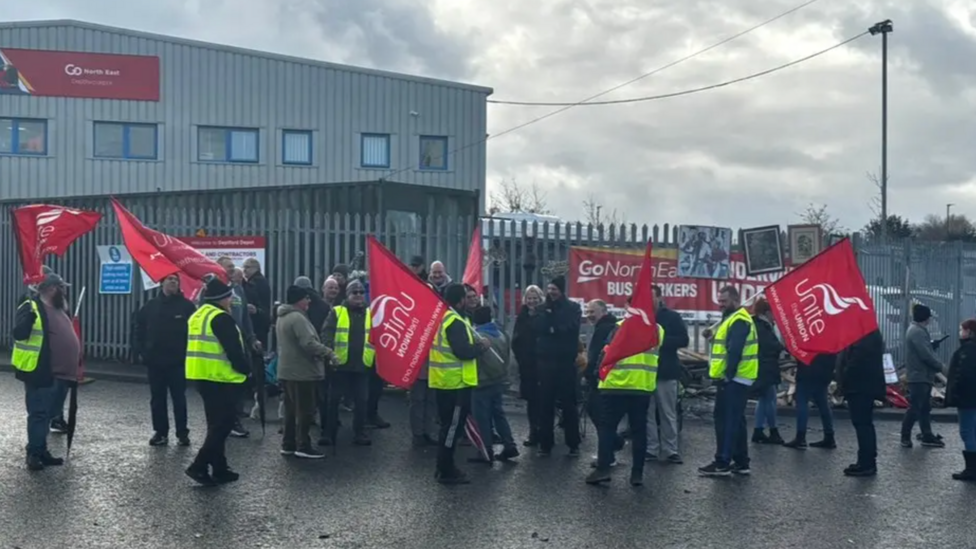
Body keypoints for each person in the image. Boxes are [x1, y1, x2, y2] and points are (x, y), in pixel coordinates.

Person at [184, 277, 252, 486]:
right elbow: (233, 350)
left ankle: (220, 468)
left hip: (201, 375)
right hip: (221, 377)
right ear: (221, 298)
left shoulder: (198, 315)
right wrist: (247, 371)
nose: (231, 299)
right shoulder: (221, 318)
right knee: (222, 425)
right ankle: (199, 465)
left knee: (215, 425)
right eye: (228, 296)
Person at [11, 272, 79, 471]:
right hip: (41, 371)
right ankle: (34, 453)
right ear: (50, 288)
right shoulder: (31, 307)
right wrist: (28, 320)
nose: (64, 291)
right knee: (39, 414)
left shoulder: (59, 308)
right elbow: (19, 333)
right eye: (61, 287)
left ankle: (41, 450)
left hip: (62, 374)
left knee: (48, 414)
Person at [586, 321, 665, 487]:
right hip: (642, 386)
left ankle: (603, 469)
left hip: (616, 385)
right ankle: (637, 474)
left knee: (607, 428)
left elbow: (606, 351)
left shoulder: (620, 326)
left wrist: (597, 374)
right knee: (639, 430)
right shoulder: (658, 329)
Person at [429, 283, 490, 484]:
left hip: (446, 381)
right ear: (460, 299)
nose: (469, 300)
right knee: (452, 429)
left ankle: (442, 465)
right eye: (466, 297)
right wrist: (481, 347)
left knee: (449, 427)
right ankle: (446, 469)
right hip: (455, 384)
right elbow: (463, 352)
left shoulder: (446, 317)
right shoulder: (454, 321)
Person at [699, 286, 757, 477]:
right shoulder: (733, 319)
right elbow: (727, 346)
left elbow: (735, 350)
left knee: (726, 420)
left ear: (734, 299)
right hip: (738, 377)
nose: (720, 304)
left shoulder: (738, 320)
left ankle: (722, 462)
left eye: (724, 301)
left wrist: (728, 374)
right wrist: (712, 336)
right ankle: (741, 462)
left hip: (734, 378)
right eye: (719, 301)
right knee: (736, 420)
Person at [133, 273, 197, 447]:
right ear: (161, 283)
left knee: (179, 399)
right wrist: (142, 352)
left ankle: (182, 433)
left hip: (178, 362)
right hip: (155, 362)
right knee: (157, 398)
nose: (173, 282)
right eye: (170, 279)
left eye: (176, 280)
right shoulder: (150, 306)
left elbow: (195, 332)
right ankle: (160, 432)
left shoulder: (187, 306)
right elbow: (139, 329)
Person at [276, 285, 335, 459]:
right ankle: (303, 445)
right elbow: (308, 343)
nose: (309, 301)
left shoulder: (283, 316)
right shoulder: (298, 318)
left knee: (290, 410)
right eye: (306, 298)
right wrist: (329, 353)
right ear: (299, 300)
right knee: (305, 410)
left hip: (287, 371)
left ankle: (288, 444)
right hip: (302, 372)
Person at [211, 257, 260, 439]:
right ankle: (227, 421)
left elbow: (245, 317)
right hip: (222, 344)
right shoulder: (212, 289)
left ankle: (235, 418)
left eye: (233, 266)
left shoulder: (237, 288)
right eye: (229, 266)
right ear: (220, 268)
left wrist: (252, 337)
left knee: (239, 381)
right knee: (226, 386)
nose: (233, 269)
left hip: (240, 341)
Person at [320, 279, 374, 446]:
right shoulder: (337, 312)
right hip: (340, 365)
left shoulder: (371, 313)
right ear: (347, 295)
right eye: (354, 292)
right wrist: (329, 353)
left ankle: (360, 433)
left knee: (361, 401)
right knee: (333, 401)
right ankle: (328, 433)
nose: (358, 295)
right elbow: (327, 333)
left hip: (362, 365)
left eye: (360, 293)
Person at [534, 275, 582, 457]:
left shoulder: (573, 308)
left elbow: (569, 329)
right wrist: (552, 326)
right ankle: (545, 444)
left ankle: (573, 444)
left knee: (569, 406)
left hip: (565, 363)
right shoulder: (542, 308)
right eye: (549, 289)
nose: (551, 292)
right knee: (545, 405)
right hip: (545, 363)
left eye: (554, 289)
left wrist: (552, 328)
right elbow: (538, 327)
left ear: (561, 290)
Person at [469, 306, 518, 462]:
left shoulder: (478, 336)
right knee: (498, 414)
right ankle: (509, 445)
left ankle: (486, 450)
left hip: (482, 381)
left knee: (482, 417)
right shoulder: (501, 333)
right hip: (498, 380)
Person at [646, 285, 689, 464]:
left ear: (659, 298)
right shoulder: (639, 318)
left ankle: (670, 449)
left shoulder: (671, 317)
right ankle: (651, 449)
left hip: (666, 371)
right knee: (646, 414)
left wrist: (660, 340)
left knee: (667, 413)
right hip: (645, 373)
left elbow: (683, 340)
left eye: (652, 297)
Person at [836, 329, 885, 477]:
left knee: (863, 424)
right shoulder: (867, 334)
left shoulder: (866, 336)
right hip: (861, 386)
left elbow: (856, 363)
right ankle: (865, 460)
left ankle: (867, 463)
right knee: (862, 424)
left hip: (860, 387)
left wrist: (843, 380)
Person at [901, 304, 946, 448]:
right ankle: (905, 436)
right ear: (926, 318)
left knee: (924, 407)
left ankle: (926, 434)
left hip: (920, 375)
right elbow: (925, 355)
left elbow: (924, 350)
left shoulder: (917, 330)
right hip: (919, 375)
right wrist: (940, 366)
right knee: (915, 407)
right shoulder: (918, 332)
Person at [583, 299, 620, 466]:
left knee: (599, 415)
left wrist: (587, 373)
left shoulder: (604, 328)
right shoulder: (610, 326)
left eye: (593, 312)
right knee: (601, 416)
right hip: (607, 378)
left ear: (603, 312)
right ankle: (613, 445)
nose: (589, 315)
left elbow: (597, 355)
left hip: (600, 379)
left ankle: (608, 454)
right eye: (588, 312)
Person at [783, 352, 837, 450]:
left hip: (807, 370)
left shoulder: (808, 337)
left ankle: (801, 437)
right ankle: (829, 436)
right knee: (823, 403)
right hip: (825, 372)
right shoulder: (830, 339)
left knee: (802, 402)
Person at [513, 285, 544, 447]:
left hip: (544, 365)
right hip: (527, 366)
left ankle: (544, 432)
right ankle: (533, 431)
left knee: (543, 401)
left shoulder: (545, 315)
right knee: (531, 402)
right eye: (529, 298)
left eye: (535, 298)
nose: (532, 301)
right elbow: (516, 339)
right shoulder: (522, 316)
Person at [750, 298, 785, 445]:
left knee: (765, 399)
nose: (775, 316)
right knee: (770, 399)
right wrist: (782, 346)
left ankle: (759, 431)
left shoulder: (757, 324)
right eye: (773, 313)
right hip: (766, 368)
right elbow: (771, 346)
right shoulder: (763, 326)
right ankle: (772, 431)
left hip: (761, 367)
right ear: (766, 312)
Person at [946, 319, 976, 480]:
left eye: (962, 330)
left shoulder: (967, 351)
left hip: (968, 399)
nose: (960, 333)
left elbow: (963, 375)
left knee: (967, 431)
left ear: (969, 332)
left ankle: (971, 469)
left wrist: (955, 393)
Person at [243, 258, 272, 348]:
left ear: (256, 268)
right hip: (261, 322)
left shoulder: (256, 282)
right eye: (243, 267)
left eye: (247, 267)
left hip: (257, 322)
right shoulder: (260, 281)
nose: (244, 270)